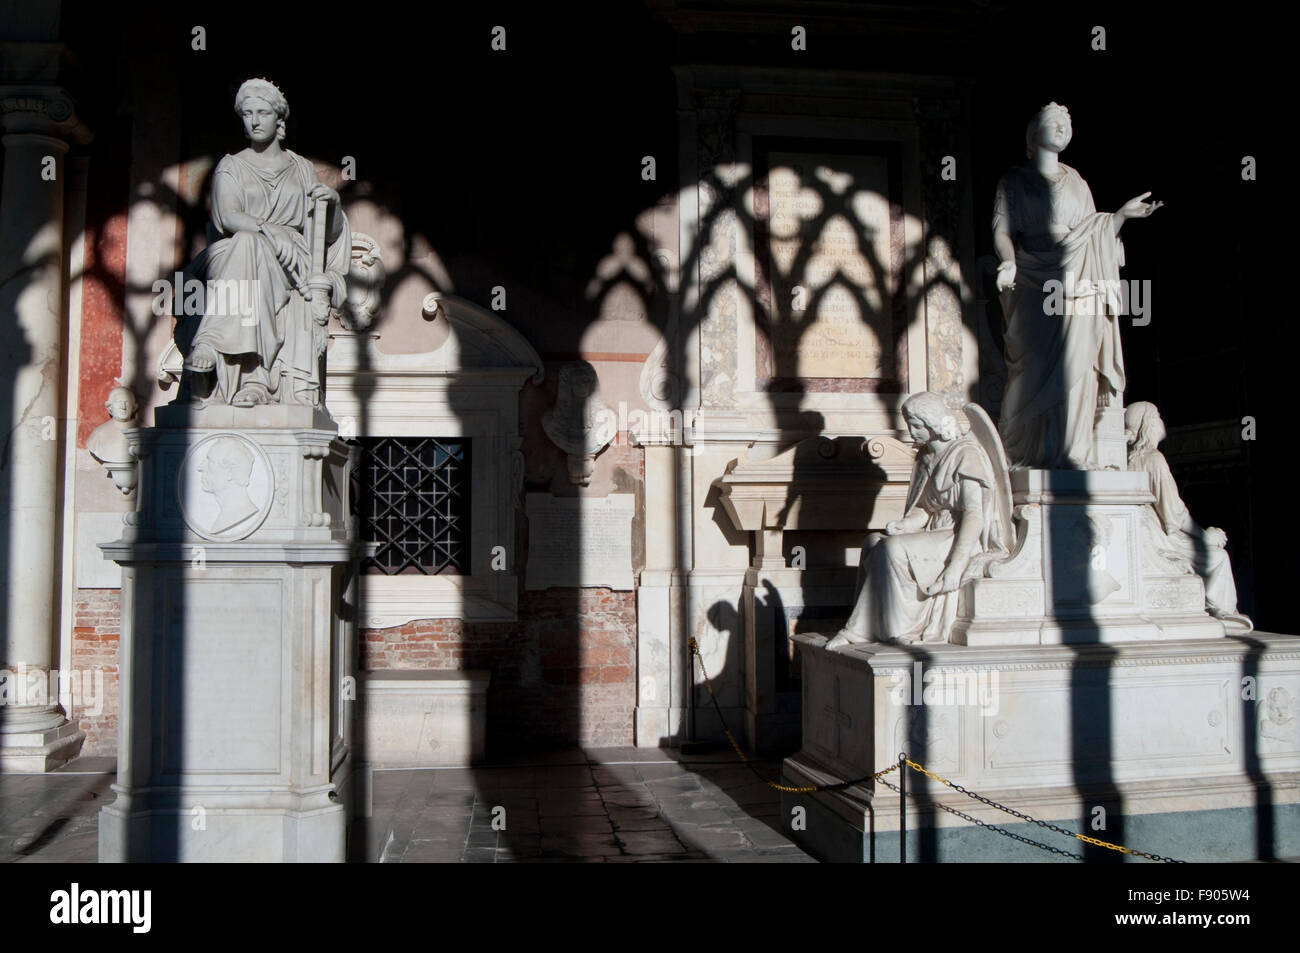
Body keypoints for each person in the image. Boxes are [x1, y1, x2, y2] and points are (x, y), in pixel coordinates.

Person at [994, 102, 1162, 469]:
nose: (1062, 128)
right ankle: (1028, 452)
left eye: (1067, 124)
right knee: (1034, 365)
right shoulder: (1014, 181)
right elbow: (1003, 231)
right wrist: (1008, 261)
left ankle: (1072, 452)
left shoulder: (1077, 182)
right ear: (1033, 133)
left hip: (1080, 277)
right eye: (1054, 122)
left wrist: (1120, 217)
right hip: (1033, 278)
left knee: (1079, 365)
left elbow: (1092, 235)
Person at [177, 78, 350, 406]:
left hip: (292, 259)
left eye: (263, 112)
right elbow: (228, 216)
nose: (255, 120)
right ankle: (253, 377)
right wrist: (270, 231)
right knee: (247, 242)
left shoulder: (301, 168)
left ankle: (212, 344)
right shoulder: (231, 166)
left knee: (251, 246)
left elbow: (325, 231)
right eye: (247, 113)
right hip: (237, 251)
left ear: (279, 120)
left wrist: (333, 203)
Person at [826, 393, 1010, 648]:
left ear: (934, 423)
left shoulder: (966, 454)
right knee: (872, 542)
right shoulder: (925, 458)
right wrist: (905, 524)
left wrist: (956, 565)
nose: (912, 431)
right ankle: (867, 628)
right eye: (909, 424)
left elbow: (974, 513)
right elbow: (924, 507)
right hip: (933, 531)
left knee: (892, 548)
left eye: (917, 425)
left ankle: (898, 629)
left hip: (959, 535)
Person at [1125, 402, 1252, 631]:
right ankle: (1222, 614)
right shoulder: (1153, 459)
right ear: (1150, 424)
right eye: (1158, 416)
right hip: (1159, 537)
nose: (1162, 422)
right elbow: (1174, 514)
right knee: (1218, 558)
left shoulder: (1130, 460)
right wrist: (1205, 537)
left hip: (1149, 533)